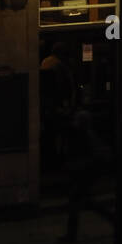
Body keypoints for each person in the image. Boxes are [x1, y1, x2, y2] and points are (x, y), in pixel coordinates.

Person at [58, 107, 114, 243]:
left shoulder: (85, 136)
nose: (74, 122)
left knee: (76, 202)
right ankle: (113, 218)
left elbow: (89, 157)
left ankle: (71, 235)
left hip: (85, 174)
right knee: (86, 202)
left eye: (77, 120)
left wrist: (77, 167)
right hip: (85, 174)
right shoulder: (85, 134)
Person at [40, 40, 78, 171]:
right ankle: (59, 161)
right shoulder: (59, 65)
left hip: (50, 108)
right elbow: (66, 87)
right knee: (60, 135)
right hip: (58, 108)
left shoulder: (45, 62)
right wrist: (67, 107)